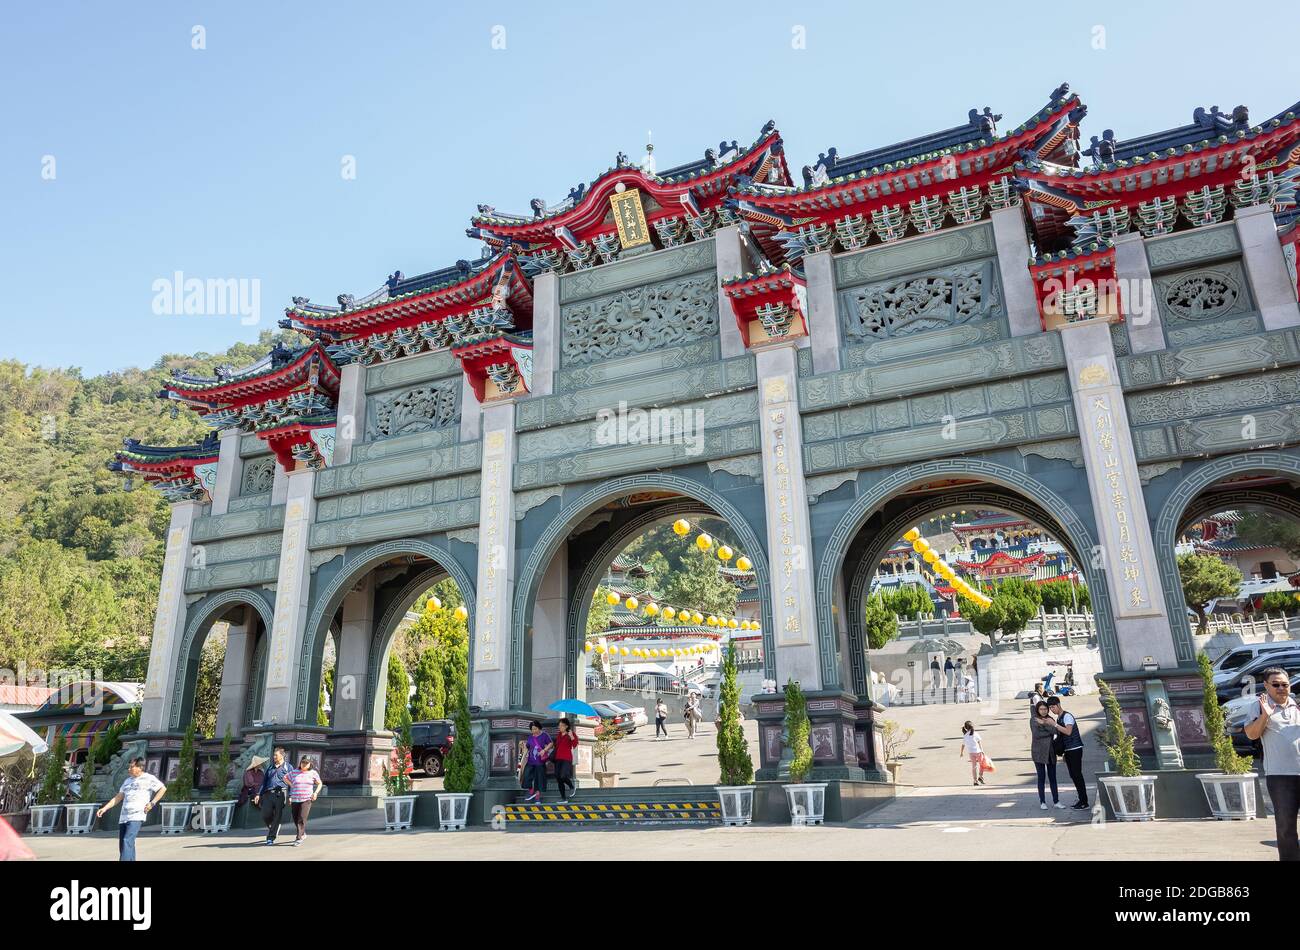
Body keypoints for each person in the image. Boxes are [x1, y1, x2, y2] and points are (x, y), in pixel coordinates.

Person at [1244, 668, 1300, 861]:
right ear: (1266, 686)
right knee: (1286, 826)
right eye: (1275, 684)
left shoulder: (1297, 705)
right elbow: (1252, 734)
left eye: (1284, 684)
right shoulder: (1259, 707)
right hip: (1280, 776)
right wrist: (1265, 715)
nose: (1281, 688)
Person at [97, 757, 166, 862]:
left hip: (137, 815)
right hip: (124, 816)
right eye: (129, 767)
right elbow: (118, 797)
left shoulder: (148, 778)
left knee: (127, 841)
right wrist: (105, 808)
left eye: (131, 767)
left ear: (140, 767)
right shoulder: (127, 781)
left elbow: (162, 788)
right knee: (125, 844)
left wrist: (152, 803)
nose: (129, 769)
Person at [1046, 696, 1088, 809]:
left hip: (1075, 748)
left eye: (1053, 707)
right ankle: (1081, 800)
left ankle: (1084, 802)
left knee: (1077, 775)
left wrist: (1054, 725)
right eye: (1050, 708)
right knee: (1073, 775)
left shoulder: (1067, 716)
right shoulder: (1059, 718)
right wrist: (1064, 753)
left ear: (1058, 705)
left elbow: (1068, 732)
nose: (1052, 709)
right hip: (1069, 750)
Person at [252, 747, 292, 844]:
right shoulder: (270, 767)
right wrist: (258, 794)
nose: (274, 757)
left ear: (282, 756)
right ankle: (274, 826)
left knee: (277, 815)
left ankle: (270, 838)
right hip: (268, 793)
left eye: (276, 755)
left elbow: (292, 782)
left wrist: (291, 795)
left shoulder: (288, 767)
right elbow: (264, 782)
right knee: (265, 814)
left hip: (281, 793)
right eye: (274, 755)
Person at [1031, 701, 1066, 810]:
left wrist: (1044, 724)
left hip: (1050, 752)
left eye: (1045, 709)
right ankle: (1042, 801)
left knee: (1053, 778)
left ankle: (1056, 801)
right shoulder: (1033, 719)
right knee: (1041, 777)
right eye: (1041, 709)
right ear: (1037, 710)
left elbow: (1056, 731)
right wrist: (1048, 728)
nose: (1043, 711)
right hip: (1038, 752)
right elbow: (1037, 734)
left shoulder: (1050, 719)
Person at [285, 756, 324, 846]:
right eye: (303, 762)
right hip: (295, 798)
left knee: (301, 818)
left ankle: (298, 838)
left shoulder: (313, 773)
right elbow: (285, 777)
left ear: (310, 764)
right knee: (295, 818)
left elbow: (320, 783)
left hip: (306, 799)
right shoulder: (294, 772)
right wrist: (291, 784)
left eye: (306, 763)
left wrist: (315, 793)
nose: (304, 764)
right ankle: (302, 833)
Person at [523, 721, 552, 803]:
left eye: (535, 729)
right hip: (530, 761)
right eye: (532, 729)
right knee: (526, 776)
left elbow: (551, 743)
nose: (534, 731)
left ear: (539, 728)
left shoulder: (544, 735)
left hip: (540, 762)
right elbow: (527, 747)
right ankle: (531, 791)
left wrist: (544, 750)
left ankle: (537, 798)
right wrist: (523, 749)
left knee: (538, 780)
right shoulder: (530, 737)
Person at [553, 718, 579, 803]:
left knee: (563, 776)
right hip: (558, 758)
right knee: (558, 778)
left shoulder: (571, 734)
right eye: (559, 725)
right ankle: (563, 798)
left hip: (566, 758)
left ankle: (571, 786)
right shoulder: (559, 735)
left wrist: (571, 736)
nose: (559, 727)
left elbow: (575, 744)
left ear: (566, 726)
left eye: (561, 725)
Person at [959, 721, 986, 786]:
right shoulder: (975, 733)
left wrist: (961, 752)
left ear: (965, 728)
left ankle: (975, 780)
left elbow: (963, 745)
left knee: (974, 767)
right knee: (982, 764)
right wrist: (982, 750)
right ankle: (980, 776)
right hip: (978, 752)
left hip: (971, 753)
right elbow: (979, 742)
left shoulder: (965, 735)